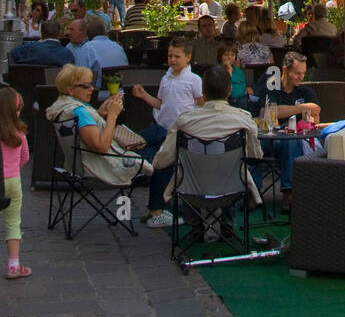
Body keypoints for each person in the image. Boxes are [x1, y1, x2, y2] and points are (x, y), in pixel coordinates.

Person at [151, 65, 263, 233]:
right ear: (230, 90)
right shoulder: (243, 119)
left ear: (202, 91)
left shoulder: (185, 121)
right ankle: (227, 225)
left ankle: (196, 225)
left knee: (188, 171)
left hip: (192, 190)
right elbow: (256, 156)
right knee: (233, 169)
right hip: (231, 189)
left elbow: (161, 161)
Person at [131, 38, 203, 226]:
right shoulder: (166, 78)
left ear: (188, 57)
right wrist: (144, 96)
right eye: (170, 56)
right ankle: (126, 151)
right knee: (150, 148)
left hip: (180, 132)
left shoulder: (194, 80)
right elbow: (160, 104)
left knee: (159, 161)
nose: (172, 60)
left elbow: (202, 105)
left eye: (177, 56)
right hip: (163, 127)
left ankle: (126, 152)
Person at [46, 65, 152, 189]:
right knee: (167, 159)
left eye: (92, 84)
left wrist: (99, 114)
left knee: (158, 134)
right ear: (70, 90)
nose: (92, 88)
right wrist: (112, 115)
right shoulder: (80, 111)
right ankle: (158, 207)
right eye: (86, 85)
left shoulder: (63, 106)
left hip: (83, 164)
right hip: (106, 168)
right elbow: (101, 146)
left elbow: (85, 133)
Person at [252, 52, 321, 200]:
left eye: (303, 73)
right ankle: (252, 193)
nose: (301, 77)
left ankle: (289, 193)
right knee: (252, 144)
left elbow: (316, 113)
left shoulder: (305, 91)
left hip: (291, 141)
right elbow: (271, 111)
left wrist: (291, 111)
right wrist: (303, 108)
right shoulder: (270, 88)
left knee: (290, 142)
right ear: (285, 70)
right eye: (297, 73)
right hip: (267, 139)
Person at [0, 87, 31, 278]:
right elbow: (25, 158)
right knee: (13, 223)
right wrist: (12, 170)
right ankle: (13, 266)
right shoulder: (20, 132)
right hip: (13, 181)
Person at [65, 18, 103, 83]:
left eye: (72, 30)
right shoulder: (69, 46)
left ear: (82, 31)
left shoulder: (91, 46)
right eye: (68, 29)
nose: (68, 32)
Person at [217, 41, 251, 107]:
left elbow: (242, 88)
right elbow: (224, 89)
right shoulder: (217, 71)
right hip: (224, 100)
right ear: (220, 56)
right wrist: (229, 70)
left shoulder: (239, 72)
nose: (229, 58)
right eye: (226, 55)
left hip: (239, 100)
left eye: (232, 55)